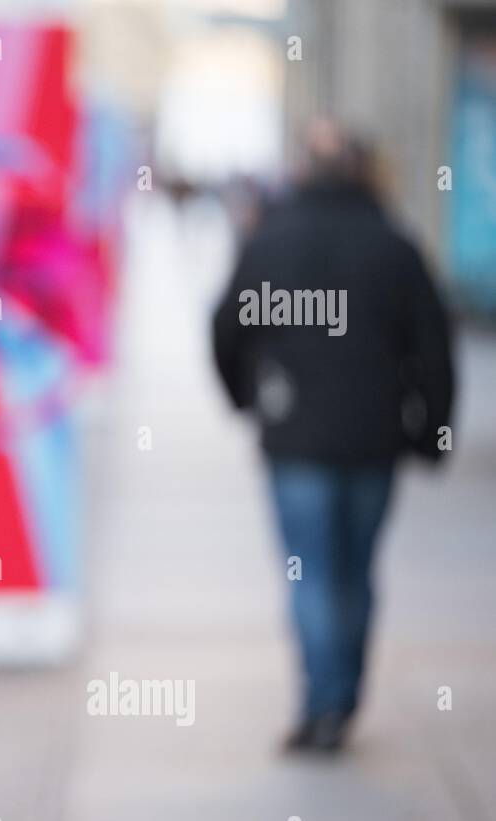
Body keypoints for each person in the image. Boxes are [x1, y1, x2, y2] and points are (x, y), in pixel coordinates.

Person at [212, 119, 455, 753]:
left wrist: (246, 399)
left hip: (295, 436)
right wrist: (433, 432)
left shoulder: (270, 243)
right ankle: (341, 696)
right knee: (356, 570)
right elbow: (434, 348)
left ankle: (322, 703)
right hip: (374, 439)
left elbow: (227, 329)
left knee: (311, 572)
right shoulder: (395, 246)